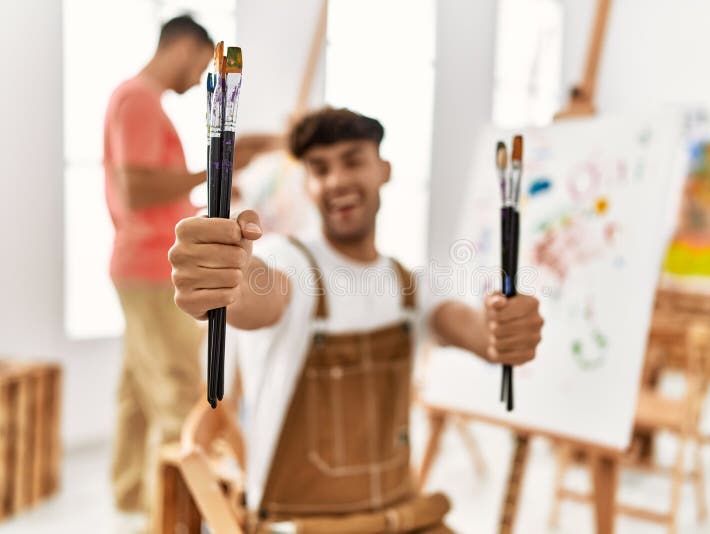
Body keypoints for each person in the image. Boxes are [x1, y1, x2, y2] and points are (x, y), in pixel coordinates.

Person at [168, 107, 544, 532]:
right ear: (306, 184)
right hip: (299, 525)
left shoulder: (409, 284)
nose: (336, 181)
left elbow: (472, 329)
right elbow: (257, 292)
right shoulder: (287, 260)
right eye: (319, 168)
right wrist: (225, 281)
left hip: (400, 516)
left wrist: (502, 333)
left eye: (352, 161)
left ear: (384, 169)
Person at [103, 15, 274, 513]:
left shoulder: (138, 100)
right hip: (151, 268)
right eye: (202, 65)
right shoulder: (138, 99)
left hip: (138, 262)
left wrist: (209, 192)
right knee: (178, 397)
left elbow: (150, 193)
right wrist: (212, 172)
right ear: (183, 47)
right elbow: (136, 190)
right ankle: (167, 515)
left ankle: (130, 498)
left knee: (139, 391)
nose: (202, 77)